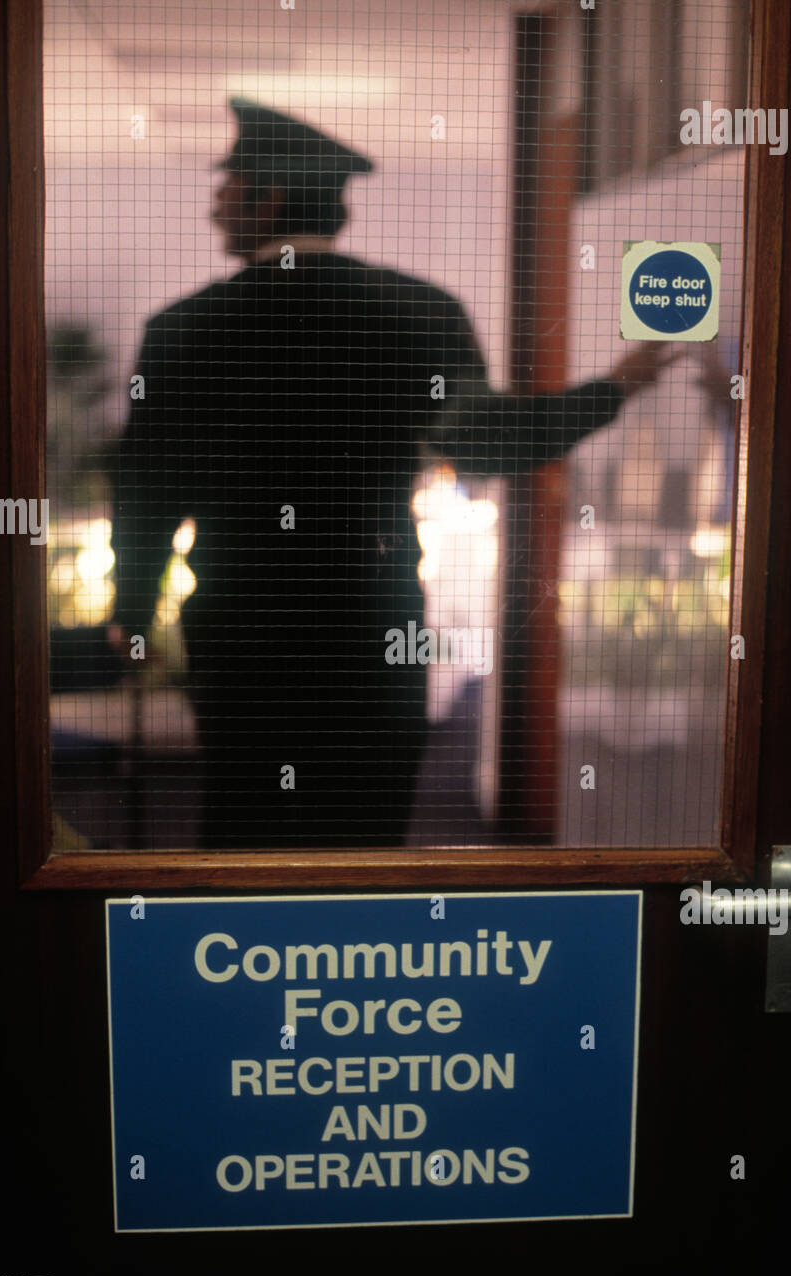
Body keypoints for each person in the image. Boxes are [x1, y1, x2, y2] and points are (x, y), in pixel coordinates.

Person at [110, 98, 675, 849]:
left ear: (267, 195)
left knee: (245, 821)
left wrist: (134, 609)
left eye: (227, 185)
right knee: (365, 829)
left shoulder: (179, 329)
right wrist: (614, 389)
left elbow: (147, 491)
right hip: (372, 621)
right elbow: (488, 445)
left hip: (240, 625)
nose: (215, 205)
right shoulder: (418, 313)